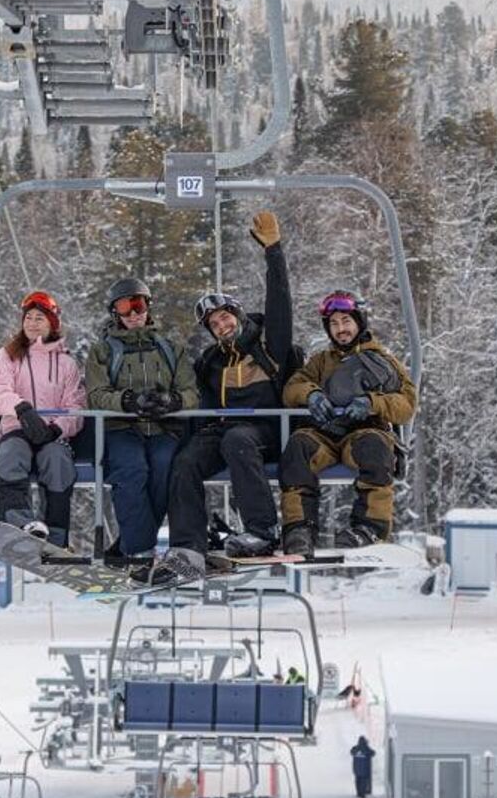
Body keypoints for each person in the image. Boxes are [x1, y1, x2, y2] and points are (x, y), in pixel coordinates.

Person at [164, 211, 301, 568]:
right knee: (186, 461)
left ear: (237, 316)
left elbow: (280, 304)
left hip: (266, 430)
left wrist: (274, 252)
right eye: (214, 323)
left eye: (225, 317)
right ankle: (188, 545)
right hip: (224, 429)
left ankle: (263, 530)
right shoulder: (211, 362)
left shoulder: (269, 345)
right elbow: (188, 391)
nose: (221, 325)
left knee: (237, 440)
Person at [278, 290, 418, 555]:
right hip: (326, 435)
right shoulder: (321, 362)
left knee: (375, 448)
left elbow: (407, 404)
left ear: (359, 321)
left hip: (365, 432)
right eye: (334, 324)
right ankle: (299, 528)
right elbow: (291, 389)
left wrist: (372, 403)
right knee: (298, 447)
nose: (340, 329)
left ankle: (369, 528)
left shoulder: (383, 362)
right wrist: (312, 394)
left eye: (346, 321)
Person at [84, 277, 198, 567]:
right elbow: (96, 394)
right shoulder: (103, 351)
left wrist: (171, 402)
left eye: (139, 305)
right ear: (115, 313)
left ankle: (129, 544)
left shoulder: (170, 348)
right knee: (132, 470)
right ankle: (139, 551)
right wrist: (127, 401)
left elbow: (190, 392)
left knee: (163, 470)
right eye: (125, 307)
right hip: (121, 428)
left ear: (149, 307)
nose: (134, 314)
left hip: (163, 427)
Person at [0, 291, 87, 548]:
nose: (32, 323)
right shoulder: (9, 356)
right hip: (16, 429)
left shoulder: (66, 364)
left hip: (50, 433)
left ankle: (57, 535)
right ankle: (18, 525)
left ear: (52, 323)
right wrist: (21, 409)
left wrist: (56, 428)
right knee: (10, 456)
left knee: (58, 462)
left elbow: (75, 406)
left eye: (39, 318)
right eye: (28, 318)